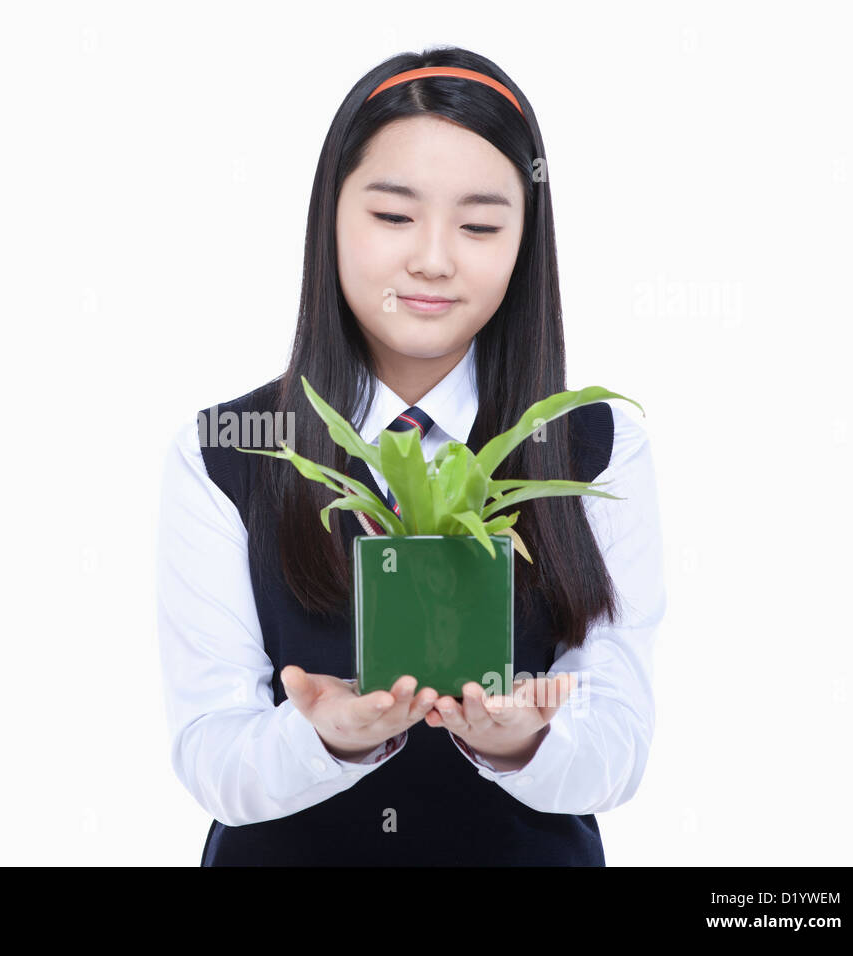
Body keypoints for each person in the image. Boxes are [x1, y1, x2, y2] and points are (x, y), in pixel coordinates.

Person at [155, 47, 667, 866]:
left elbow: (620, 741)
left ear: (526, 242)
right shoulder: (225, 452)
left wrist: (523, 743)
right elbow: (213, 756)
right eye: (393, 217)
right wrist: (323, 741)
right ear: (332, 217)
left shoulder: (594, 450)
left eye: (480, 225)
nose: (433, 258)